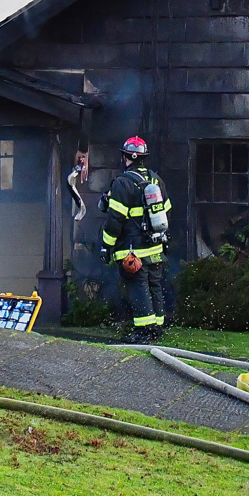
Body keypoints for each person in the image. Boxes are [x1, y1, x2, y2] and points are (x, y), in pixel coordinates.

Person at [100, 136, 171, 343]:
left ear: (126, 157)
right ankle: (157, 328)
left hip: (133, 251)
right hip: (156, 247)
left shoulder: (123, 183)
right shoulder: (155, 179)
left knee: (138, 288)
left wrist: (106, 247)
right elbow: (167, 211)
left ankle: (144, 331)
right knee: (154, 286)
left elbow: (115, 220)